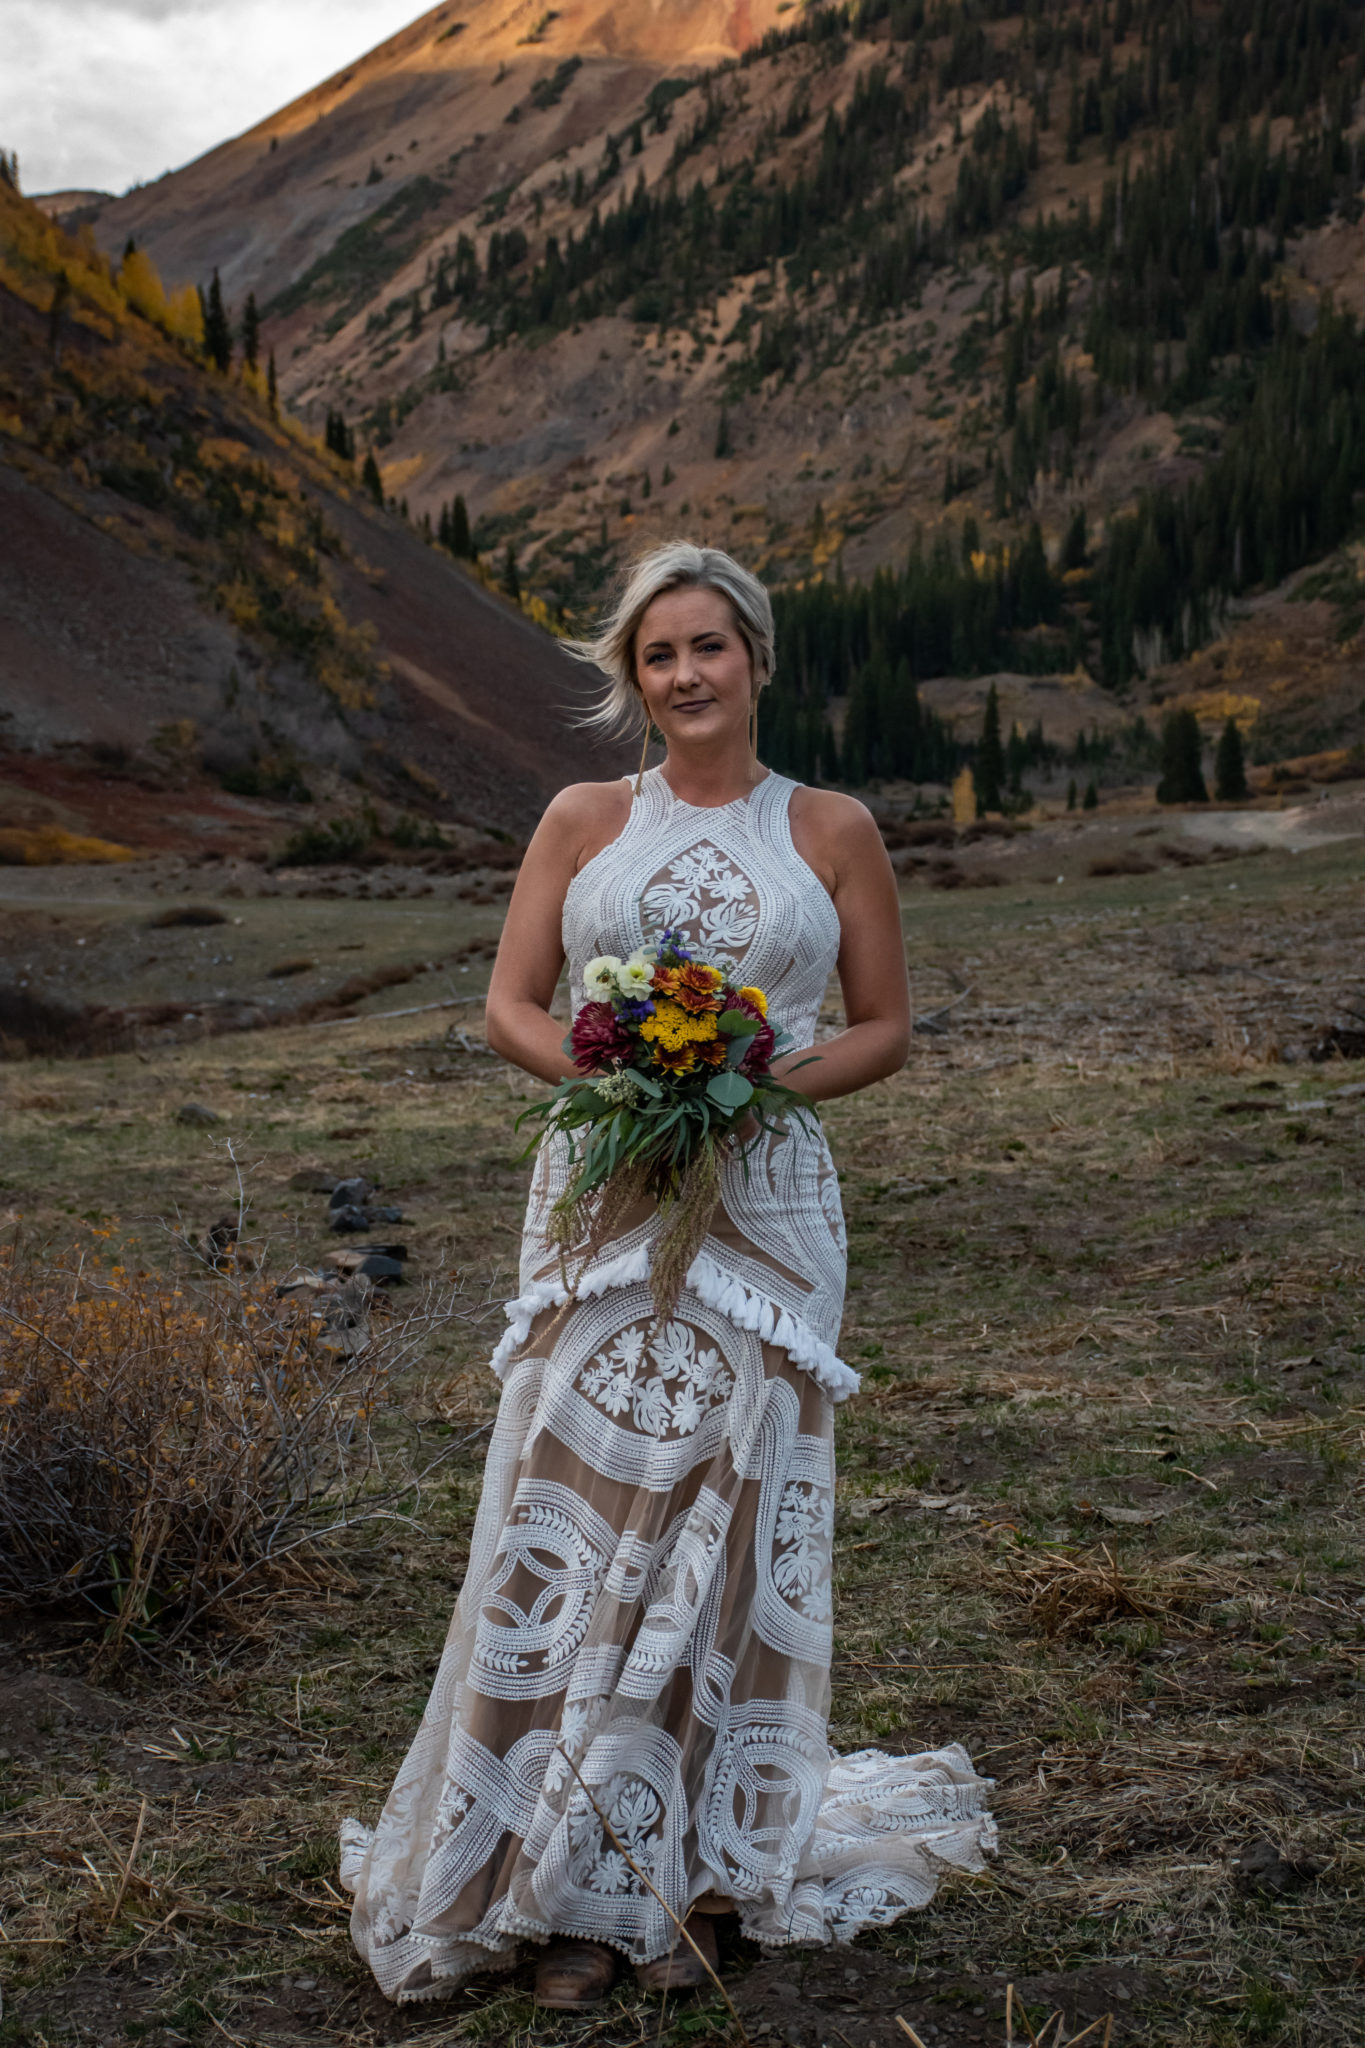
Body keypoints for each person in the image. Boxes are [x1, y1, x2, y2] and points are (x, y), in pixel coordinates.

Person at [341, 542, 995, 2007]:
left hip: (765, 1206)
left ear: (756, 660)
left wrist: (756, 1079)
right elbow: (513, 1003)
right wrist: (618, 1067)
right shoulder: (582, 818)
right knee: (569, 1522)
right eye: (657, 656)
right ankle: (555, 1885)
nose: (685, 675)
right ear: (632, 679)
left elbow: (883, 1024)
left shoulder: (830, 828)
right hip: (600, 1192)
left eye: (709, 647)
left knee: (722, 1523)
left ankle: (680, 1876)